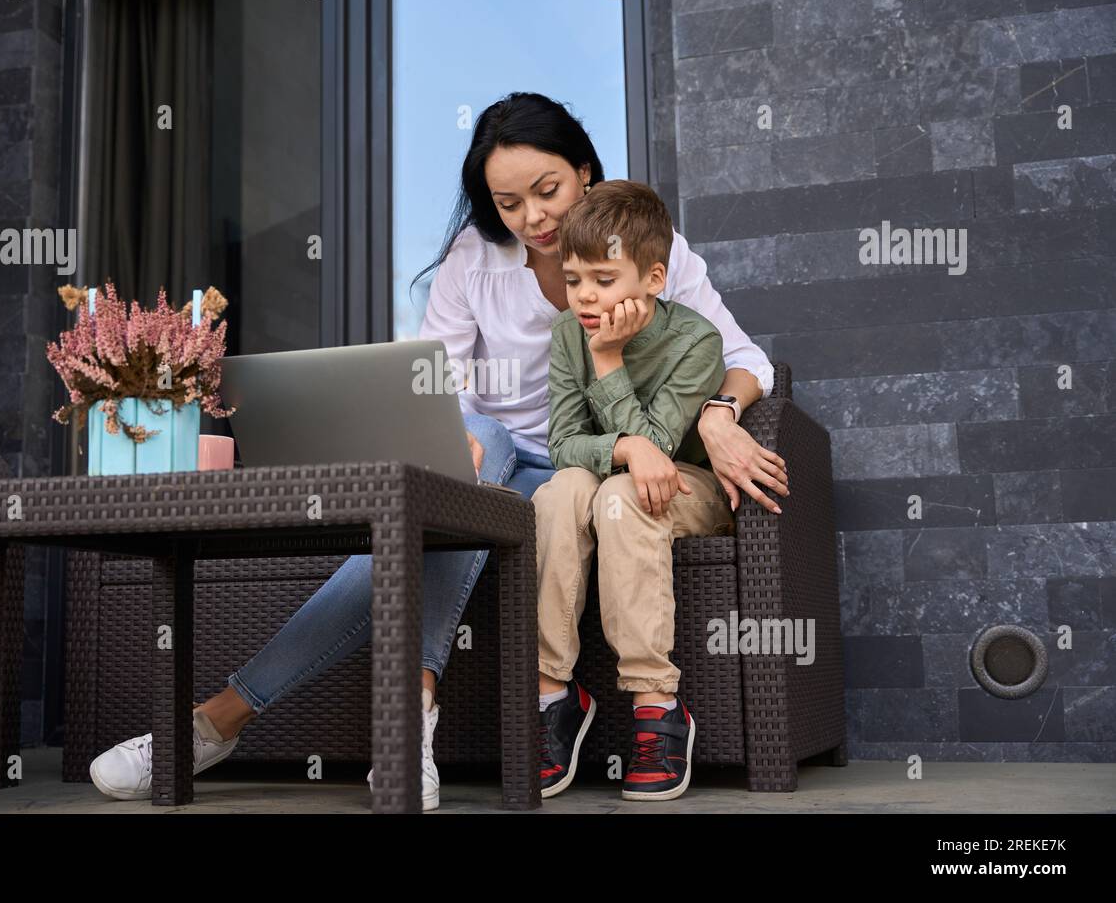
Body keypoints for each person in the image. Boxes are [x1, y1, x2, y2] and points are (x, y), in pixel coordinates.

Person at [89, 92, 788, 810]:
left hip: (591, 464)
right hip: (501, 471)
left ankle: (221, 719)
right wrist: (450, 442)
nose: (534, 218)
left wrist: (720, 415)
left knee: (454, 505)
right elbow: (436, 385)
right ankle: (398, 725)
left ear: (584, 171)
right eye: (509, 202)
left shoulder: (639, 250)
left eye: (547, 191)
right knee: (472, 446)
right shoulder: (475, 260)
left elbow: (743, 359)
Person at [532, 179, 734, 802]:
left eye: (603, 279)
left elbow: (661, 458)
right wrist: (621, 446)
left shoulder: (696, 342)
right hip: (607, 479)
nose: (586, 297)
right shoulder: (567, 336)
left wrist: (612, 359)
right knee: (558, 492)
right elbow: (564, 443)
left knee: (623, 496)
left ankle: (657, 705)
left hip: (686, 489)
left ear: (652, 277)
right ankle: (552, 697)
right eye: (574, 280)